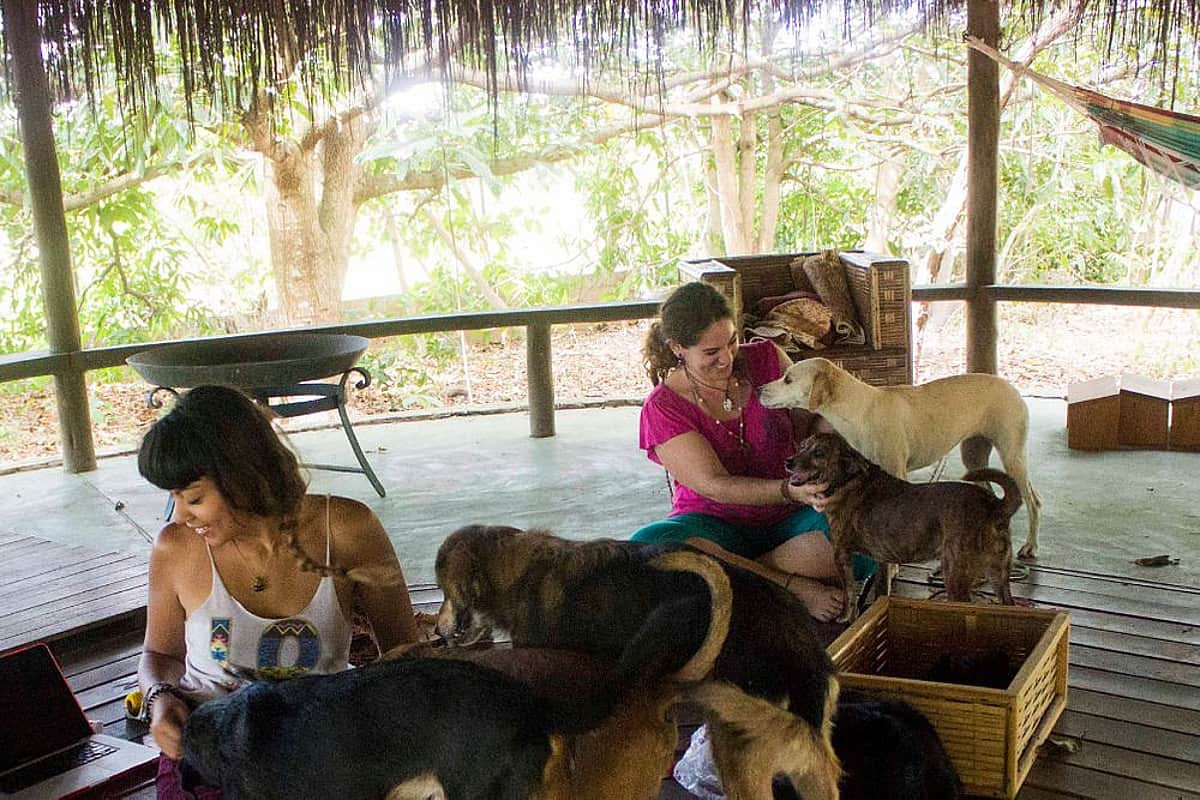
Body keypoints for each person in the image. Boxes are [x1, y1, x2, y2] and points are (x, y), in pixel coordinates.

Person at [135, 385, 420, 796]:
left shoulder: (346, 530)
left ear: (242, 477)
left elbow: (404, 654)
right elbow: (159, 656)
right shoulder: (175, 549)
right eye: (174, 497)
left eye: (194, 498)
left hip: (322, 745)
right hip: (213, 747)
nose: (180, 515)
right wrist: (160, 698)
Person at [631, 281, 868, 622]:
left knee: (865, 533)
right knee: (650, 548)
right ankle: (788, 586)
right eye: (710, 352)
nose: (727, 358)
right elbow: (714, 485)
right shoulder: (663, 407)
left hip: (791, 518)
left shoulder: (767, 358)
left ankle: (738, 575)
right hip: (713, 523)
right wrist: (789, 490)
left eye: (732, 341)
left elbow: (809, 421)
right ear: (678, 348)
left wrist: (834, 428)